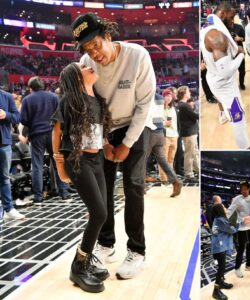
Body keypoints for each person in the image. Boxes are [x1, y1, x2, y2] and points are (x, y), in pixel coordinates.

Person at [71, 13, 156, 279]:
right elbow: (89, 109)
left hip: (137, 124)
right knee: (102, 187)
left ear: (108, 36)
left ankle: (137, 250)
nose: (94, 53)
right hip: (104, 129)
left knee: (133, 185)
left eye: (96, 44)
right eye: (87, 49)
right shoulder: (85, 64)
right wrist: (106, 142)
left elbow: (145, 104)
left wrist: (127, 144)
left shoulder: (137, 55)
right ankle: (106, 243)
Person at [52, 62, 111, 293]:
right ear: (77, 78)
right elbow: (56, 132)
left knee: (101, 213)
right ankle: (78, 266)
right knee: (99, 213)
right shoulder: (68, 101)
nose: (90, 66)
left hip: (96, 161)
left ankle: (83, 262)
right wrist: (59, 166)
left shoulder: (97, 98)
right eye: (84, 67)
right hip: (77, 161)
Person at [200, 1, 250, 149]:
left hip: (213, 77)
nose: (233, 21)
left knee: (220, 99)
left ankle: (222, 115)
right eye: (231, 16)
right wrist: (241, 54)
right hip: (224, 84)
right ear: (222, 14)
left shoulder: (207, 24)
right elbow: (226, 72)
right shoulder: (217, 37)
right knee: (238, 117)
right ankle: (245, 147)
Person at [20, 77, 71, 205]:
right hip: (53, 133)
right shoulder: (53, 97)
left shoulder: (27, 99)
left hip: (36, 135)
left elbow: (23, 120)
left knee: (37, 165)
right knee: (57, 162)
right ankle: (64, 194)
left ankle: (38, 198)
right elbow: (60, 115)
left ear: (30, 88)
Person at [145, 92, 182, 197]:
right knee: (163, 160)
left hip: (150, 132)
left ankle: (141, 185)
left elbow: (148, 117)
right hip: (160, 133)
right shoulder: (159, 98)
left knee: (142, 159)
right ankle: (175, 181)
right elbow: (158, 119)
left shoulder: (146, 96)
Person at [226, 180, 250, 278]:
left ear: (248, 189)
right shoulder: (237, 199)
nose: (243, 191)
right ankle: (237, 268)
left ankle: (249, 265)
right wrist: (224, 220)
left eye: (245, 189)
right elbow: (229, 211)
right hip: (241, 227)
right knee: (241, 249)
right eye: (241, 189)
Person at [0, 89, 25, 221]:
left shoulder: (7, 96)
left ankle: (8, 208)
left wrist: (6, 115)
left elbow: (17, 117)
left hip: (4, 144)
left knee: (4, 177)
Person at [211, 203, 237, 300]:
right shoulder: (221, 220)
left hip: (219, 245)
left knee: (222, 266)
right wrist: (238, 222)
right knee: (221, 267)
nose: (225, 208)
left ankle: (221, 283)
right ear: (220, 210)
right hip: (219, 246)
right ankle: (216, 290)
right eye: (223, 207)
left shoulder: (219, 219)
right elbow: (233, 230)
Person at [177, 86, 199, 180]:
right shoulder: (185, 105)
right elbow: (195, 116)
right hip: (189, 133)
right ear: (184, 94)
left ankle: (197, 170)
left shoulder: (180, 105)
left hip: (189, 132)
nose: (190, 92)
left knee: (194, 153)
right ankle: (189, 174)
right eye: (188, 91)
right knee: (189, 154)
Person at [158, 89, 180, 184]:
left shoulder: (173, 108)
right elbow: (154, 121)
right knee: (164, 158)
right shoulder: (159, 108)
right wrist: (164, 123)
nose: (169, 98)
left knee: (171, 158)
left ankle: (170, 176)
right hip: (165, 135)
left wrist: (177, 134)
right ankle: (163, 178)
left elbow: (176, 122)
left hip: (174, 135)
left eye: (170, 96)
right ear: (163, 97)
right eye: (167, 96)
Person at [228, 8, 247, 90]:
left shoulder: (239, 27)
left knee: (242, 71)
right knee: (230, 72)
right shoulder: (224, 29)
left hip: (239, 53)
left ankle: (241, 84)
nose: (230, 20)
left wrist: (240, 39)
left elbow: (245, 38)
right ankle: (231, 87)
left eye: (231, 18)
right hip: (229, 54)